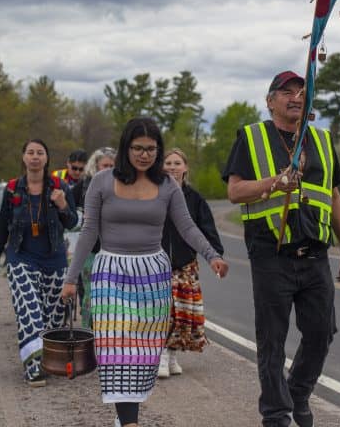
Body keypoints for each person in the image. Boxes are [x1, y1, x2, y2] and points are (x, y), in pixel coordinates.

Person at [61, 117, 229, 427]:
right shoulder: (102, 182)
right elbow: (87, 232)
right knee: (115, 345)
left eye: (151, 149)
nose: (144, 154)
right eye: (137, 148)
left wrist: (211, 255)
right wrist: (71, 279)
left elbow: (187, 226)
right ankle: (129, 420)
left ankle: (128, 411)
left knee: (143, 349)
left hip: (152, 273)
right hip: (111, 270)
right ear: (126, 148)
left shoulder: (167, 185)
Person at [223, 71, 340, 427]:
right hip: (271, 255)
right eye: (286, 91)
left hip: (315, 255)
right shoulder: (251, 137)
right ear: (270, 101)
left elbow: (334, 195)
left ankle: (297, 393)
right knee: (272, 341)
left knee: (321, 332)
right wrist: (274, 183)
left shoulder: (323, 141)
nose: (295, 96)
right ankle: (277, 415)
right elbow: (235, 192)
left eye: (302, 91)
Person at [0, 139, 78, 387]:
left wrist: (62, 205)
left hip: (55, 259)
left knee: (54, 316)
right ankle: (33, 368)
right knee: (30, 312)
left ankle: (46, 359)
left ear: (47, 159)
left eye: (40, 153)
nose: (35, 157)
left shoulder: (60, 187)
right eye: (30, 152)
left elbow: (72, 222)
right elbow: (2, 225)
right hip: (21, 258)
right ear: (24, 157)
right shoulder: (13, 189)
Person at [158, 147, 225, 378]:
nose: (172, 168)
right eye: (168, 163)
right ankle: (162, 356)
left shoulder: (194, 199)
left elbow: (206, 228)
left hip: (185, 265)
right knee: (164, 313)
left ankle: (173, 354)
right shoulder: (153, 194)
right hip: (158, 264)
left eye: (177, 163)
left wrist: (216, 255)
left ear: (185, 168)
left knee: (183, 315)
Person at [70, 146, 117, 328]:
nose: (108, 169)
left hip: (115, 252)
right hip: (91, 251)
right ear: (95, 166)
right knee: (91, 295)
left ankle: (108, 338)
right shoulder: (83, 187)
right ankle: (88, 337)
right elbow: (67, 212)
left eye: (112, 165)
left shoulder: (122, 187)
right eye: (105, 165)